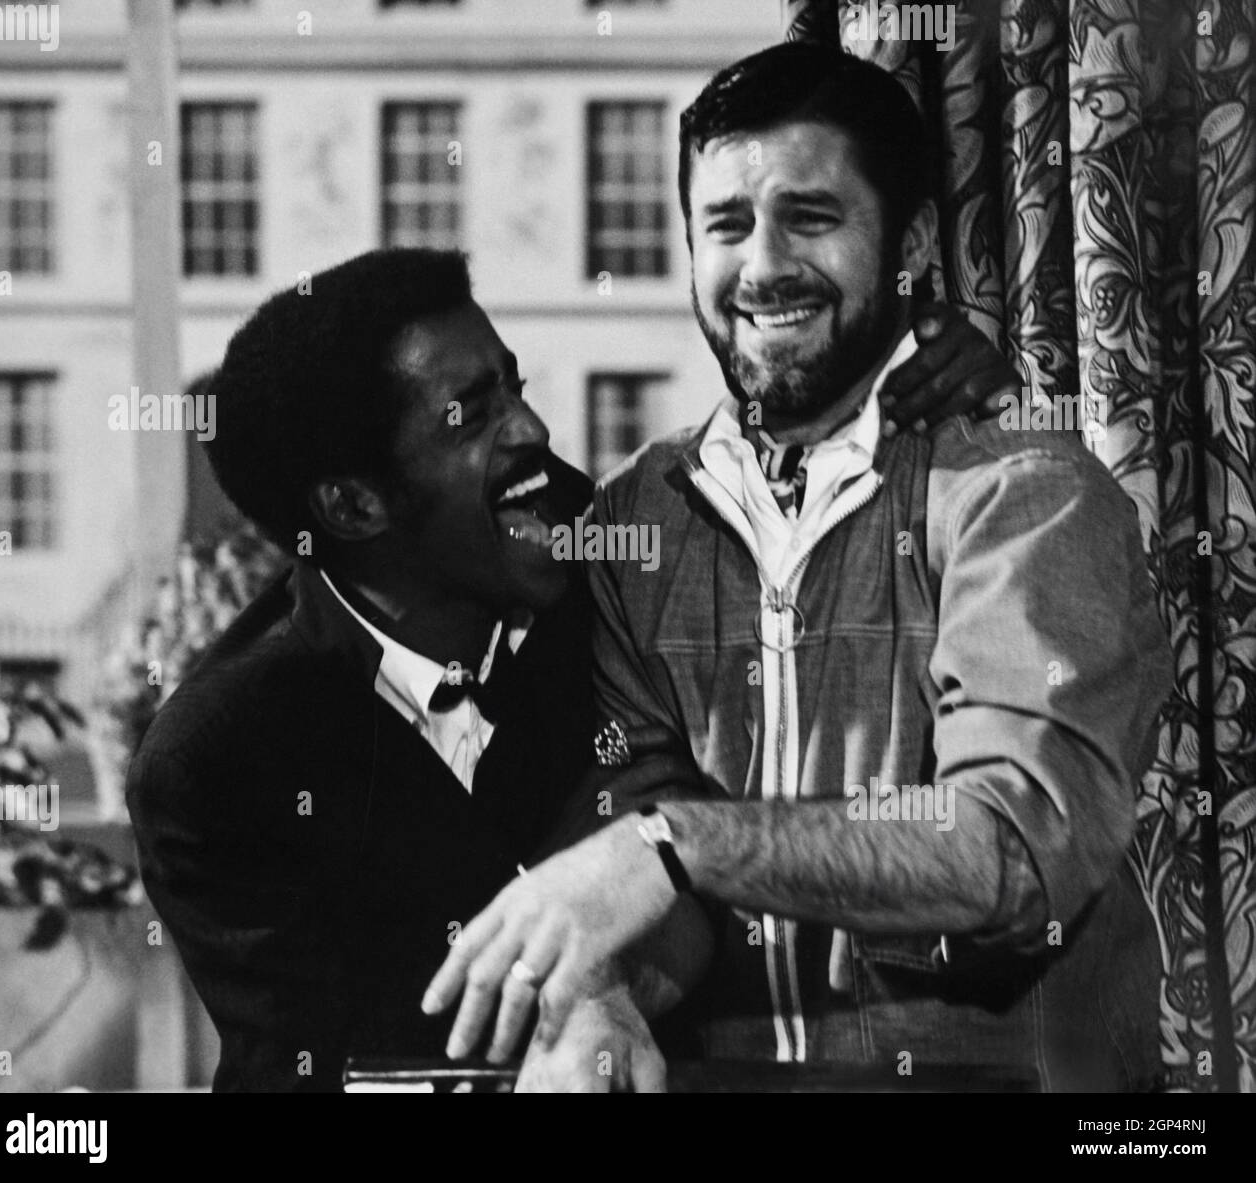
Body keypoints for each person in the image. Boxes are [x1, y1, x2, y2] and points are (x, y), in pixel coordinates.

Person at [424, 43, 1175, 1093]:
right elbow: (631, 815)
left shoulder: (1024, 498)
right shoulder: (638, 518)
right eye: (726, 225)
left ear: (908, 240)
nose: (764, 264)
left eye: (810, 219)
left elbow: (1016, 845)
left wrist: (676, 843)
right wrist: (602, 992)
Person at [126, 246, 1016, 1092]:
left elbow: (673, 809)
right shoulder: (217, 756)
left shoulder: (609, 562)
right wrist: (580, 1003)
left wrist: (916, 384)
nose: (535, 428)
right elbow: (375, 1053)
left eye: (512, 385)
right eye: (471, 415)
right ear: (354, 505)